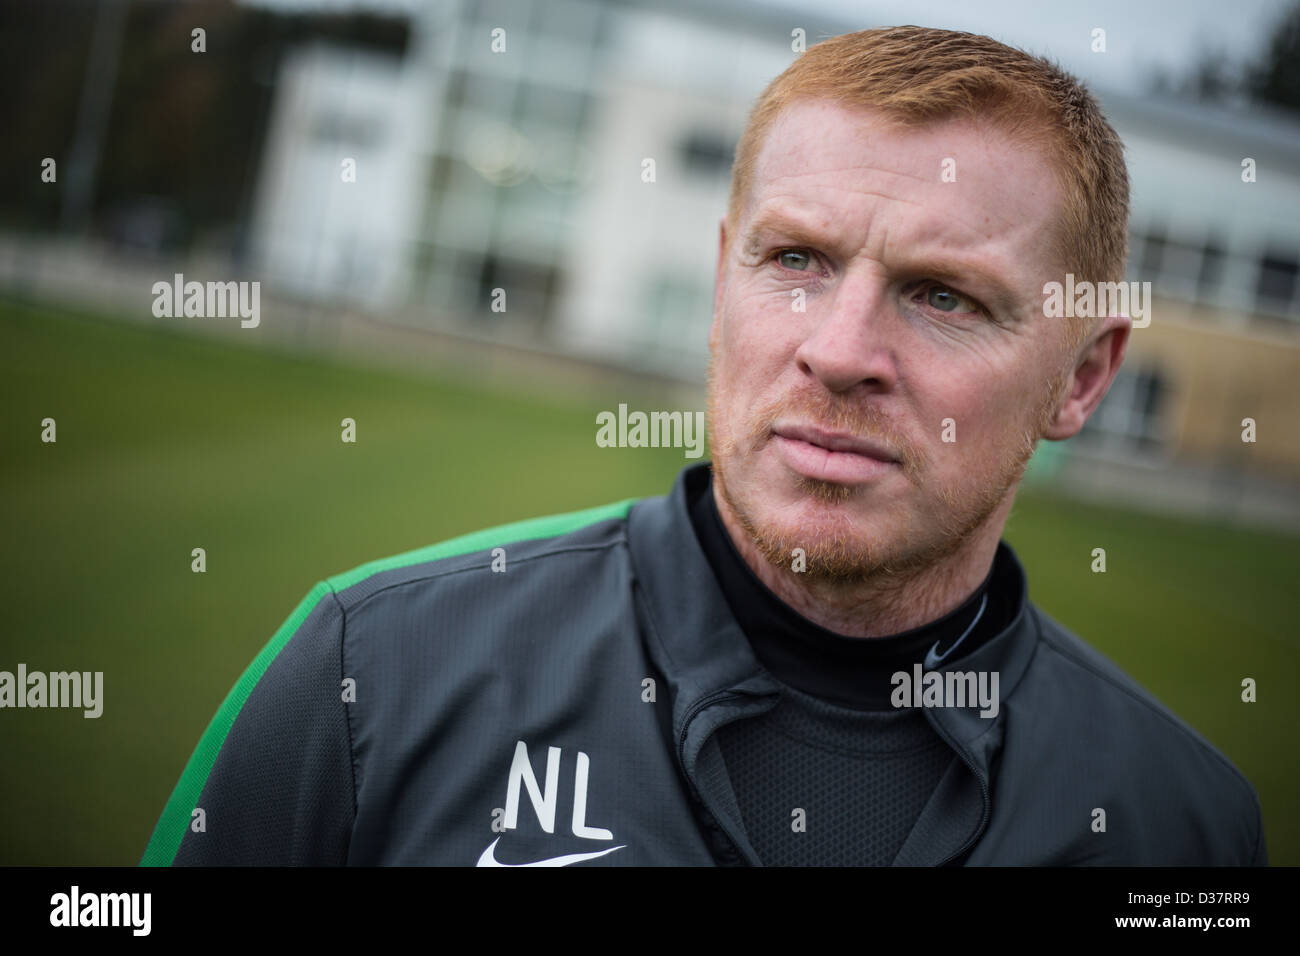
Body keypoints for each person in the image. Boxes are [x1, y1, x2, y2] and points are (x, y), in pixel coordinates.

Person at [142, 25, 1265, 866]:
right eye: (795, 262)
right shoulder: (367, 674)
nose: (838, 351)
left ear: (1080, 376)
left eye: (942, 295)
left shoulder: (1183, 824)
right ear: (721, 279)